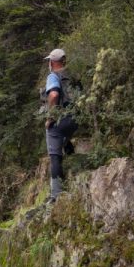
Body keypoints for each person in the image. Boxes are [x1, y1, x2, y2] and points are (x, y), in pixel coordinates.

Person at [43, 48, 78, 203]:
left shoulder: (53, 76)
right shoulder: (72, 75)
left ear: (52, 62)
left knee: (54, 155)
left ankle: (56, 195)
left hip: (61, 119)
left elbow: (54, 94)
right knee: (64, 137)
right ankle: (72, 159)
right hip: (76, 118)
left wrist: (51, 117)